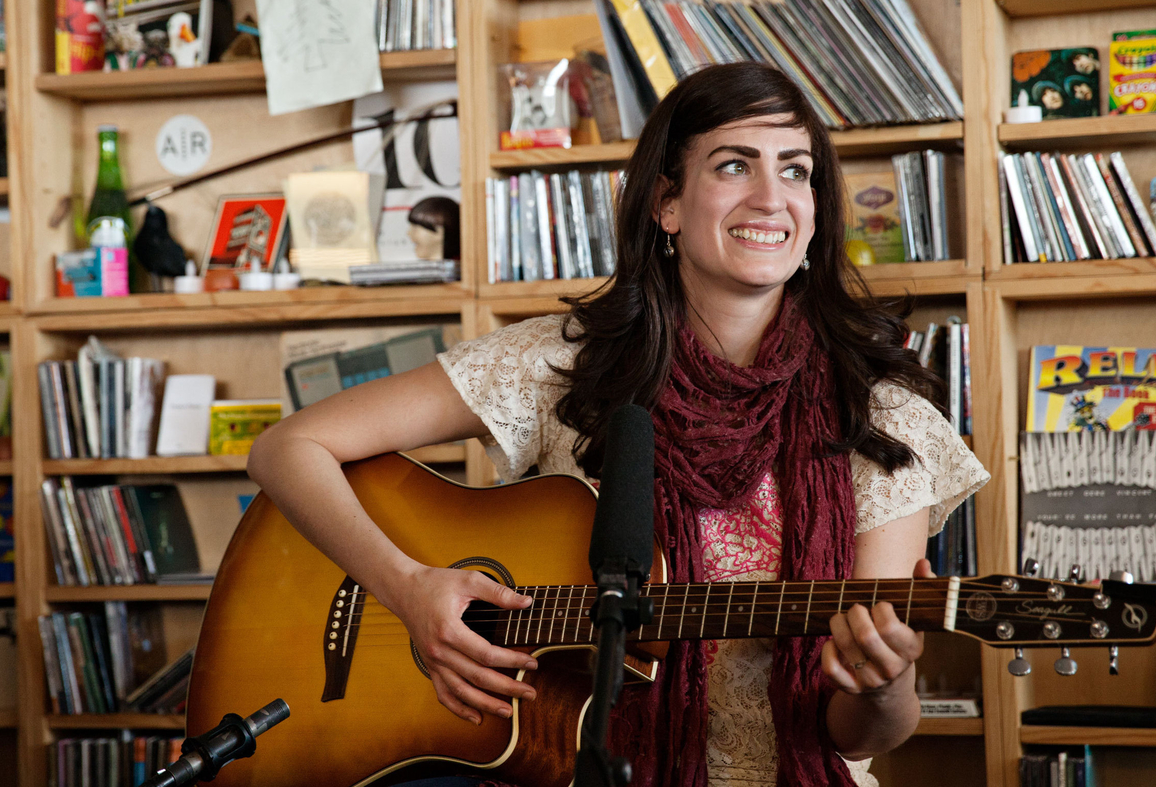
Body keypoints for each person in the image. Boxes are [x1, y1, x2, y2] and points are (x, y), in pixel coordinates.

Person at [248, 62, 989, 787]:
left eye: (797, 171)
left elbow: (857, 731)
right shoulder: (561, 361)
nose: (772, 197)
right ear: (667, 202)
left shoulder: (880, 413)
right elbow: (289, 447)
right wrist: (407, 587)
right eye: (736, 165)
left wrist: (884, 684)